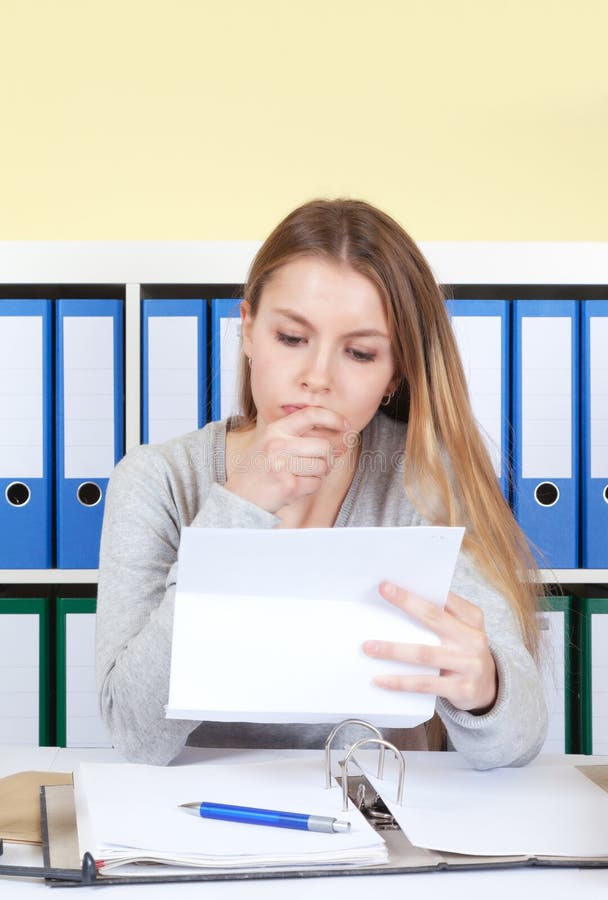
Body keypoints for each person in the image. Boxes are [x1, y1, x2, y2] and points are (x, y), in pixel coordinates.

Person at [96, 198, 547, 768]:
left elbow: (520, 742)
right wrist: (240, 507)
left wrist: (486, 689)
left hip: (376, 819)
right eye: (291, 338)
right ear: (249, 329)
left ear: (394, 374)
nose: (317, 378)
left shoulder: (427, 484)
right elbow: (135, 737)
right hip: (193, 820)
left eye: (359, 353)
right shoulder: (157, 480)